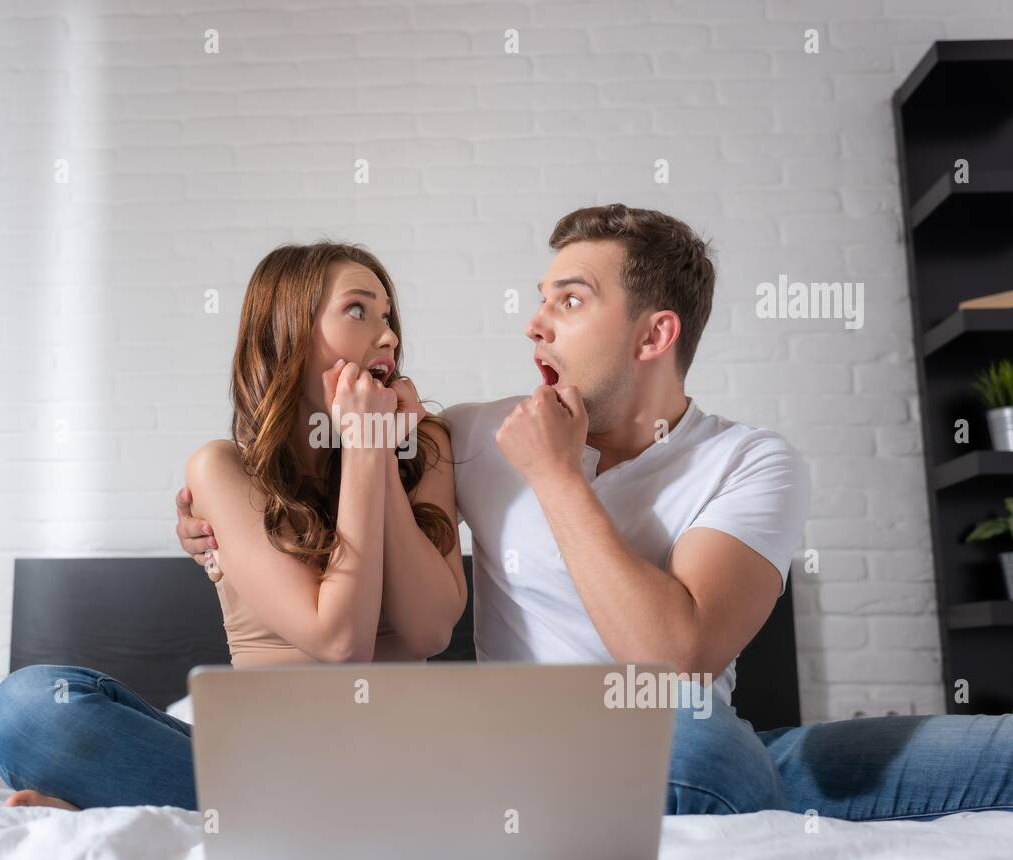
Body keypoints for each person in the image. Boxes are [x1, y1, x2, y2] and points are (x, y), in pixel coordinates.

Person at [177, 204, 1013, 821]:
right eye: (542, 299)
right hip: (533, 764)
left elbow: (677, 656)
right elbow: (337, 494)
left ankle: (766, 802)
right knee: (692, 736)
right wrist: (212, 514)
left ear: (654, 337)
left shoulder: (751, 462)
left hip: (704, 749)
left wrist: (556, 476)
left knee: (980, 751)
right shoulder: (460, 436)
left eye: (569, 302)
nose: (534, 323)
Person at [0, 241, 466, 810]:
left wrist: (376, 451)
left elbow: (411, 634)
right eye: (358, 310)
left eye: (388, 317)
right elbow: (340, 639)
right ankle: (258, 806)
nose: (388, 337)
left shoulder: (423, 444)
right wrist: (366, 444)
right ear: (288, 332)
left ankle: (165, 800)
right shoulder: (222, 469)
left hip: (385, 759)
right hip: (261, 759)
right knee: (30, 708)